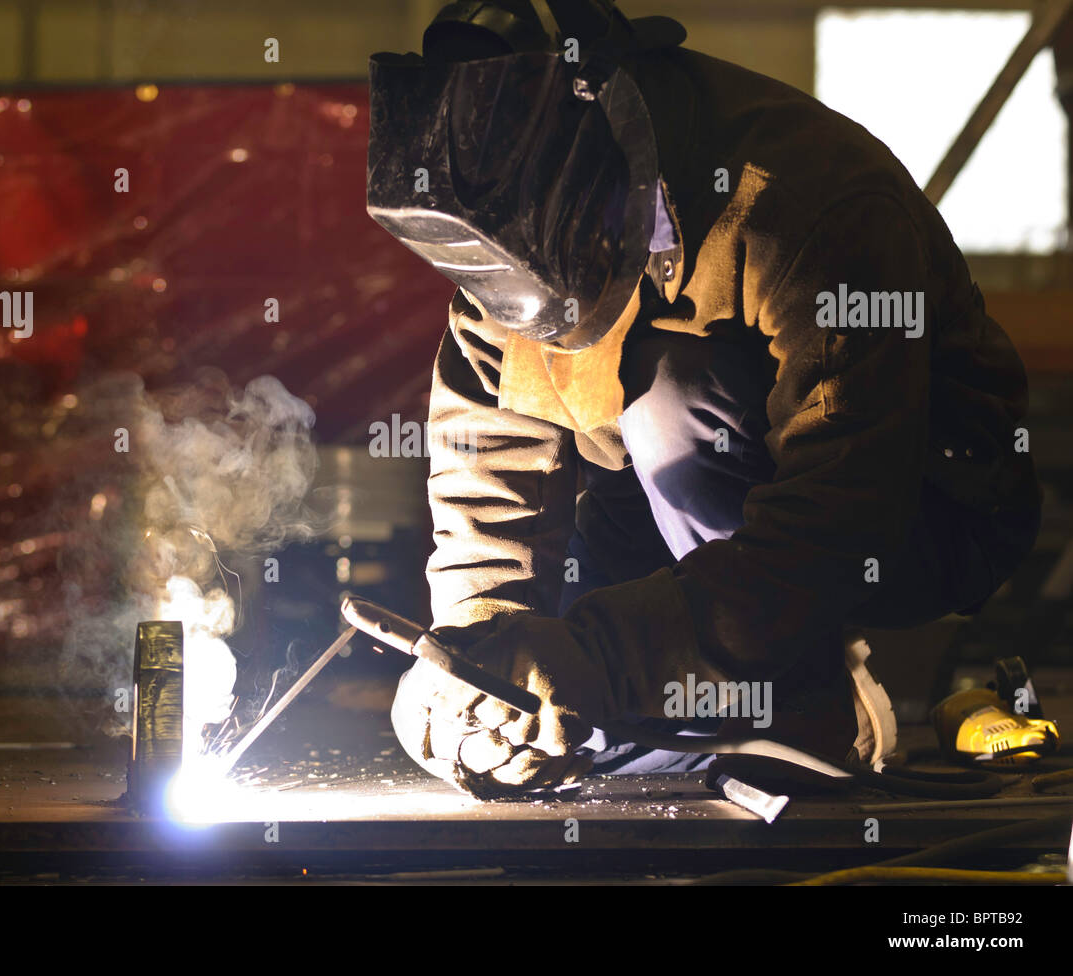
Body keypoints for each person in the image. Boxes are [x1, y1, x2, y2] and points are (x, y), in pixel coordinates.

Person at [365, 1, 1041, 797]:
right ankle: (741, 715)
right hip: (670, 502)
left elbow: (842, 505)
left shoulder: (808, 204)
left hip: (916, 514)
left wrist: (605, 657)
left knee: (667, 403)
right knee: (569, 706)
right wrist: (480, 653)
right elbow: (490, 435)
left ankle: (801, 701)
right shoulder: (517, 203)